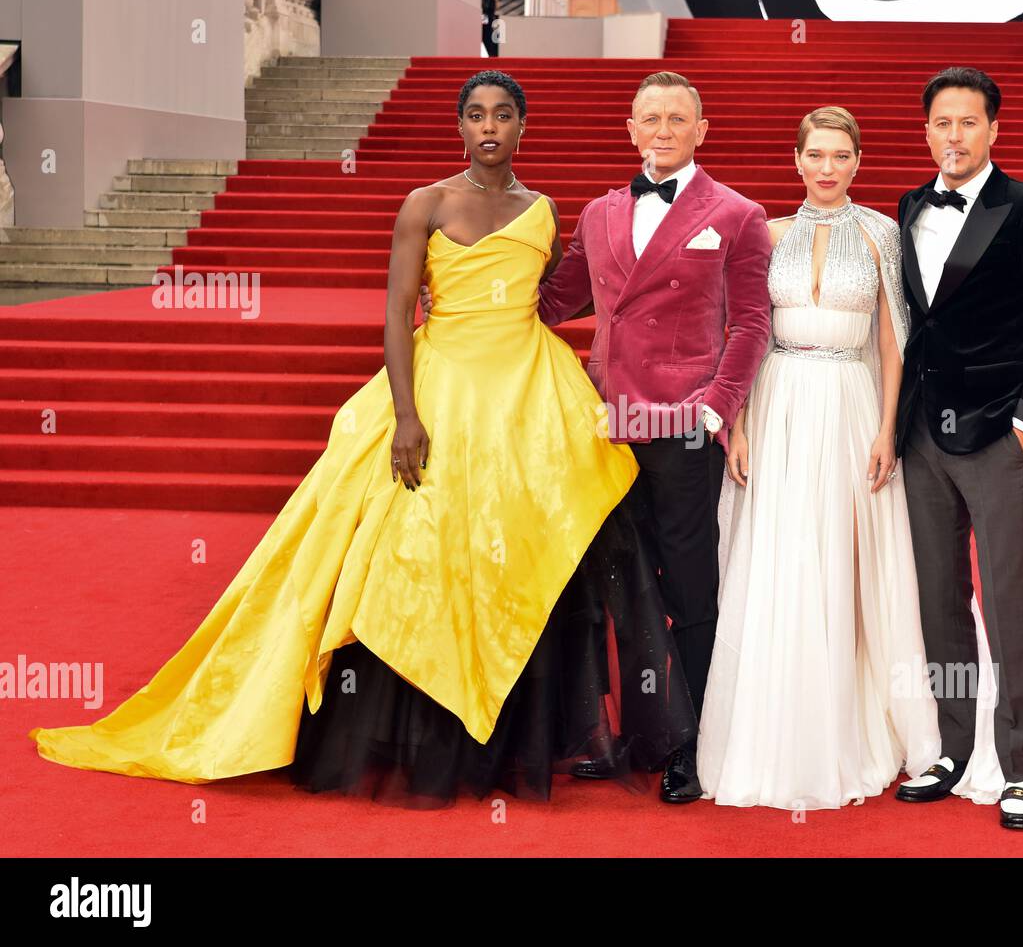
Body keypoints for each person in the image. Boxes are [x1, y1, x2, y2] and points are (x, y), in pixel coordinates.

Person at [28, 70, 696, 807]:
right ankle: (418, 731)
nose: (489, 127)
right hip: (440, 388)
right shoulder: (426, 204)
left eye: (503, 115)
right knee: (417, 549)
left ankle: (529, 734)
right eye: (475, 114)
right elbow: (397, 313)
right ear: (461, 125)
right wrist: (407, 416)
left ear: (522, 126)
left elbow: (550, 299)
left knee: (538, 544)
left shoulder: (542, 209)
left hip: (528, 395)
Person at [695, 107, 1005, 811]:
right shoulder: (761, 233)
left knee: (850, 554)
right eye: (816, 156)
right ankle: (776, 730)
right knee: (781, 557)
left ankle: (872, 721)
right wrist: (735, 424)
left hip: (851, 403)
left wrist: (887, 429)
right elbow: (741, 333)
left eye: (841, 156)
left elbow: (896, 339)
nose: (827, 168)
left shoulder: (881, 234)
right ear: (796, 160)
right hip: (776, 405)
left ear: (858, 163)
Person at [523, 71, 772, 802]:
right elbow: (554, 300)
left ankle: (697, 741)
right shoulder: (600, 214)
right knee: (616, 587)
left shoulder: (736, 213)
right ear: (631, 131)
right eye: (650, 119)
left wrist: (713, 411)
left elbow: (752, 322)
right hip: (605, 428)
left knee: (688, 589)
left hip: (681, 430)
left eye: (676, 119)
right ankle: (635, 733)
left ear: (702, 130)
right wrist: (469, 295)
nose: (662, 130)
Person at [893, 67, 1023, 829]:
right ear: (927, 130)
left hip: (998, 432)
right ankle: (950, 746)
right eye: (942, 123)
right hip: (922, 435)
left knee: (1007, 604)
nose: (954, 137)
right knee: (940, 602)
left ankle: (1019, 770)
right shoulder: (909, 204)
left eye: (968, 123)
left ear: (994, 130)